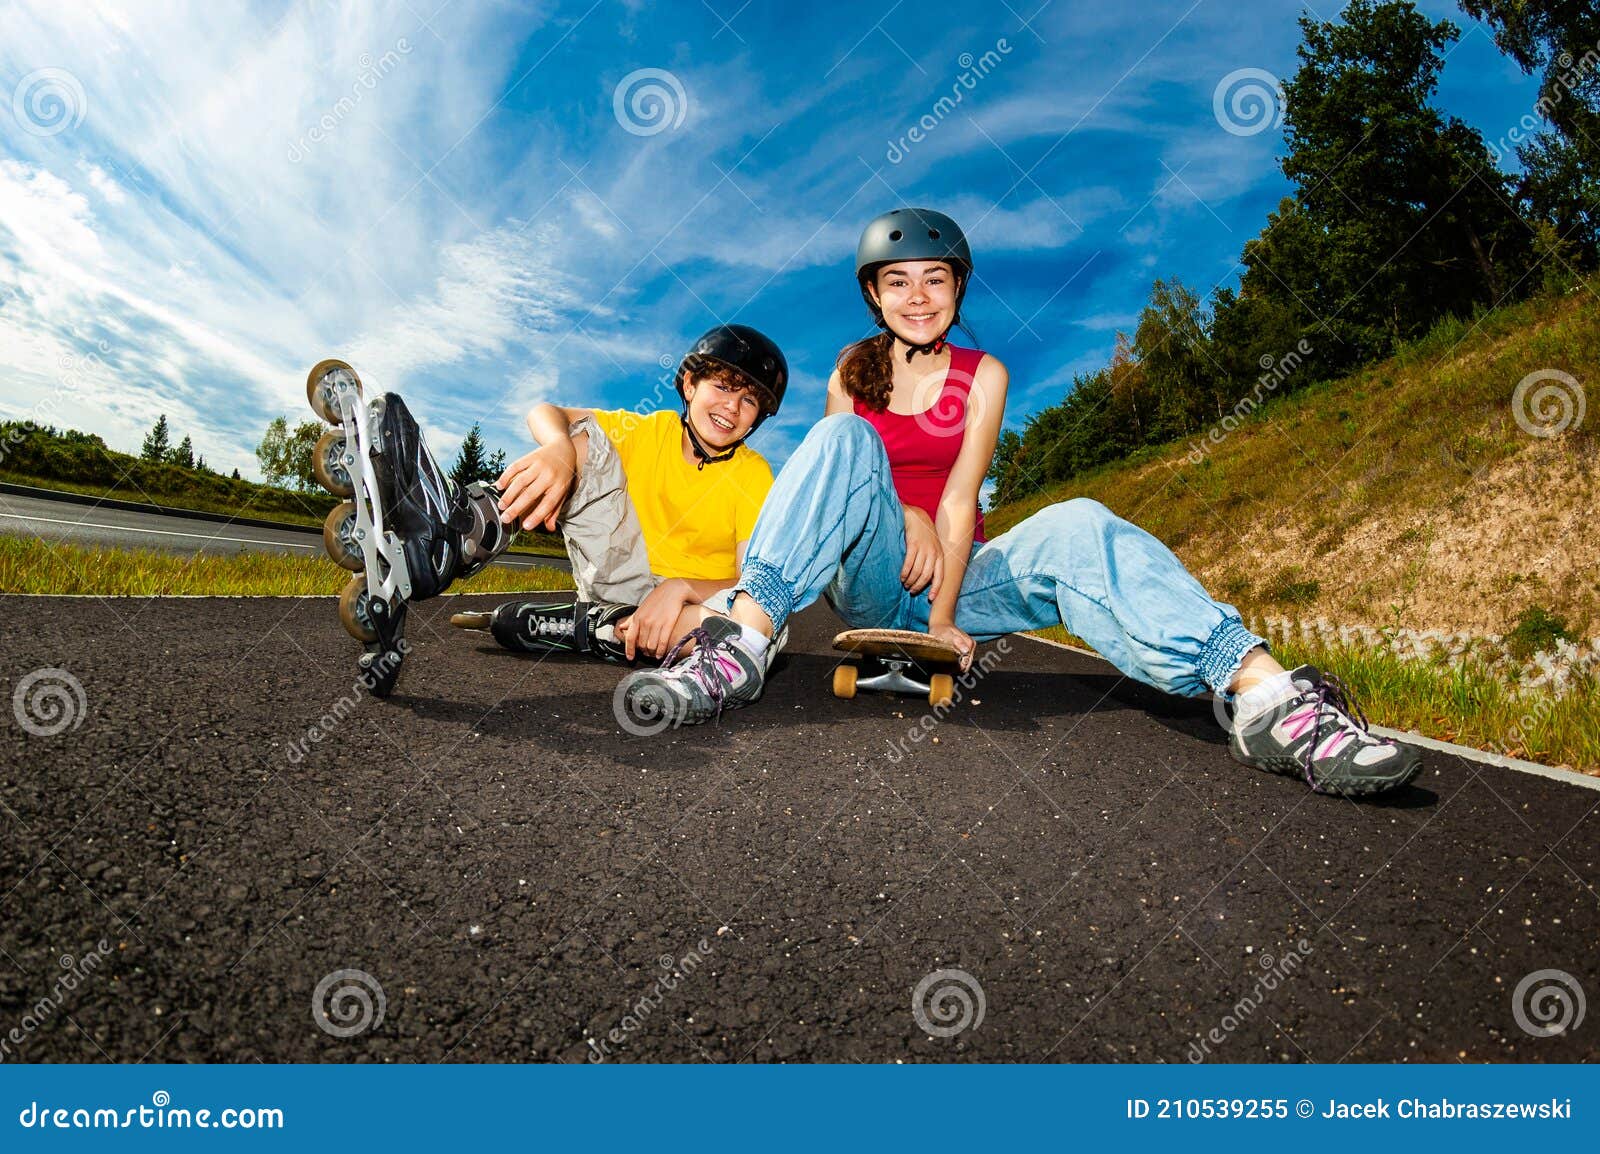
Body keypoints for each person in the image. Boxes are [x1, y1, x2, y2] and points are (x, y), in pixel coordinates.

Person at [620, 209, 1422, 798]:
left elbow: (965, 494)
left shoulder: (986, 375)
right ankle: (738, 647)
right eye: (897, 282)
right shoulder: (849, 372)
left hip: (958, 581)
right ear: (874, 294)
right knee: (842, 444)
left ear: (957, 286)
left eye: (935, 279)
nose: (918, 296)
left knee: (1078, 520)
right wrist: (909, 513)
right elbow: (841, 479)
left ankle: (1267, 701)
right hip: (870, 571)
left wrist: (939, 621)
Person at [471, 324, 789, 664]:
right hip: (618, 572)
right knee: (583, 442)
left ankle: (601, 629)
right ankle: (470, 531)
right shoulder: (648, 431)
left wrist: (681, 587)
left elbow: (748, 579)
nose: (732, 406)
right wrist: (558, 447)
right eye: (722, 386)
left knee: (755, 627)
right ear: (690, 385)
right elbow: (547, 413)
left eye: (749, 400)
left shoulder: (753, 472)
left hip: (688, 605)